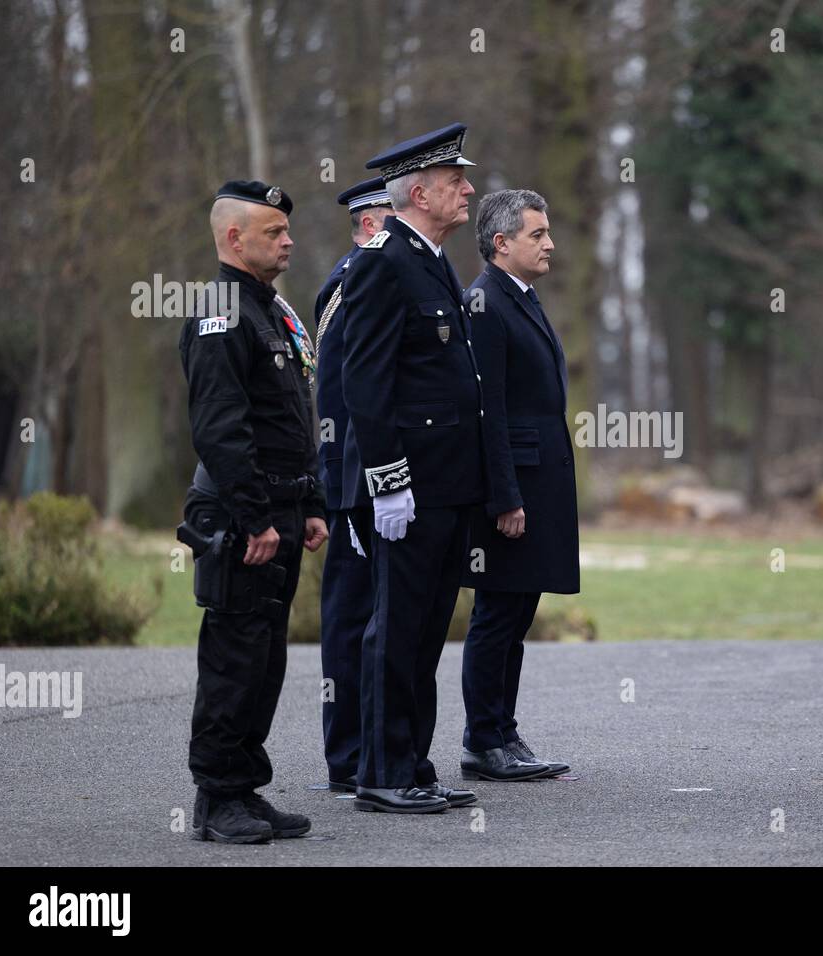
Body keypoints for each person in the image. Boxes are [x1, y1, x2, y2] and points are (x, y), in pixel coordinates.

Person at [178, 179, 328, 843]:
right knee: (234, 657)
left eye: (287, 230)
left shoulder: (271, 311)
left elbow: (294, 415)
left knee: (266, 658)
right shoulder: (220, 313)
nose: (288, 239)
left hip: (284, 509)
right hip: (245, 519)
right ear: (235, 238)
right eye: (274, 231)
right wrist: (254, 517)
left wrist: (312, 500)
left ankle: (247, 786)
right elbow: (220, 428)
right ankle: (216, 799)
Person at [339, 123, 483, 814]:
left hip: (447, 483)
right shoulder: (381, 260)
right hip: (411, 485)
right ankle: (381, 771)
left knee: (425, 633)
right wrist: (388, 483)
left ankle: (412, 762)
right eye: (458, 183)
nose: (470, 190)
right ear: (420, 192)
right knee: (396, 630)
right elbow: (365, 383)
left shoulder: (429, 258)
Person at [460, 189, 577, 781]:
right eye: (538, 234)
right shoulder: (485, 302)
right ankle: (483, 740)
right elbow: (489, 410)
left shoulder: (518, 297)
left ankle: (504, 731)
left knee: (517, 613)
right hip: (514, 490)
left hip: (536, 481)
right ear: (501, 243)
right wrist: (505, 496)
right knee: (498, 614)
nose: (549, 243)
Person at [314, 176, 390, 792]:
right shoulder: (351, 283)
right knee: (350, 615)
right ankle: (348, 756)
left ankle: (372, 750)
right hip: (351, 479)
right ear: (370, 224)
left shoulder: (374, 278)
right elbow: (339, 393)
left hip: (365, 475)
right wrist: (344, 482)